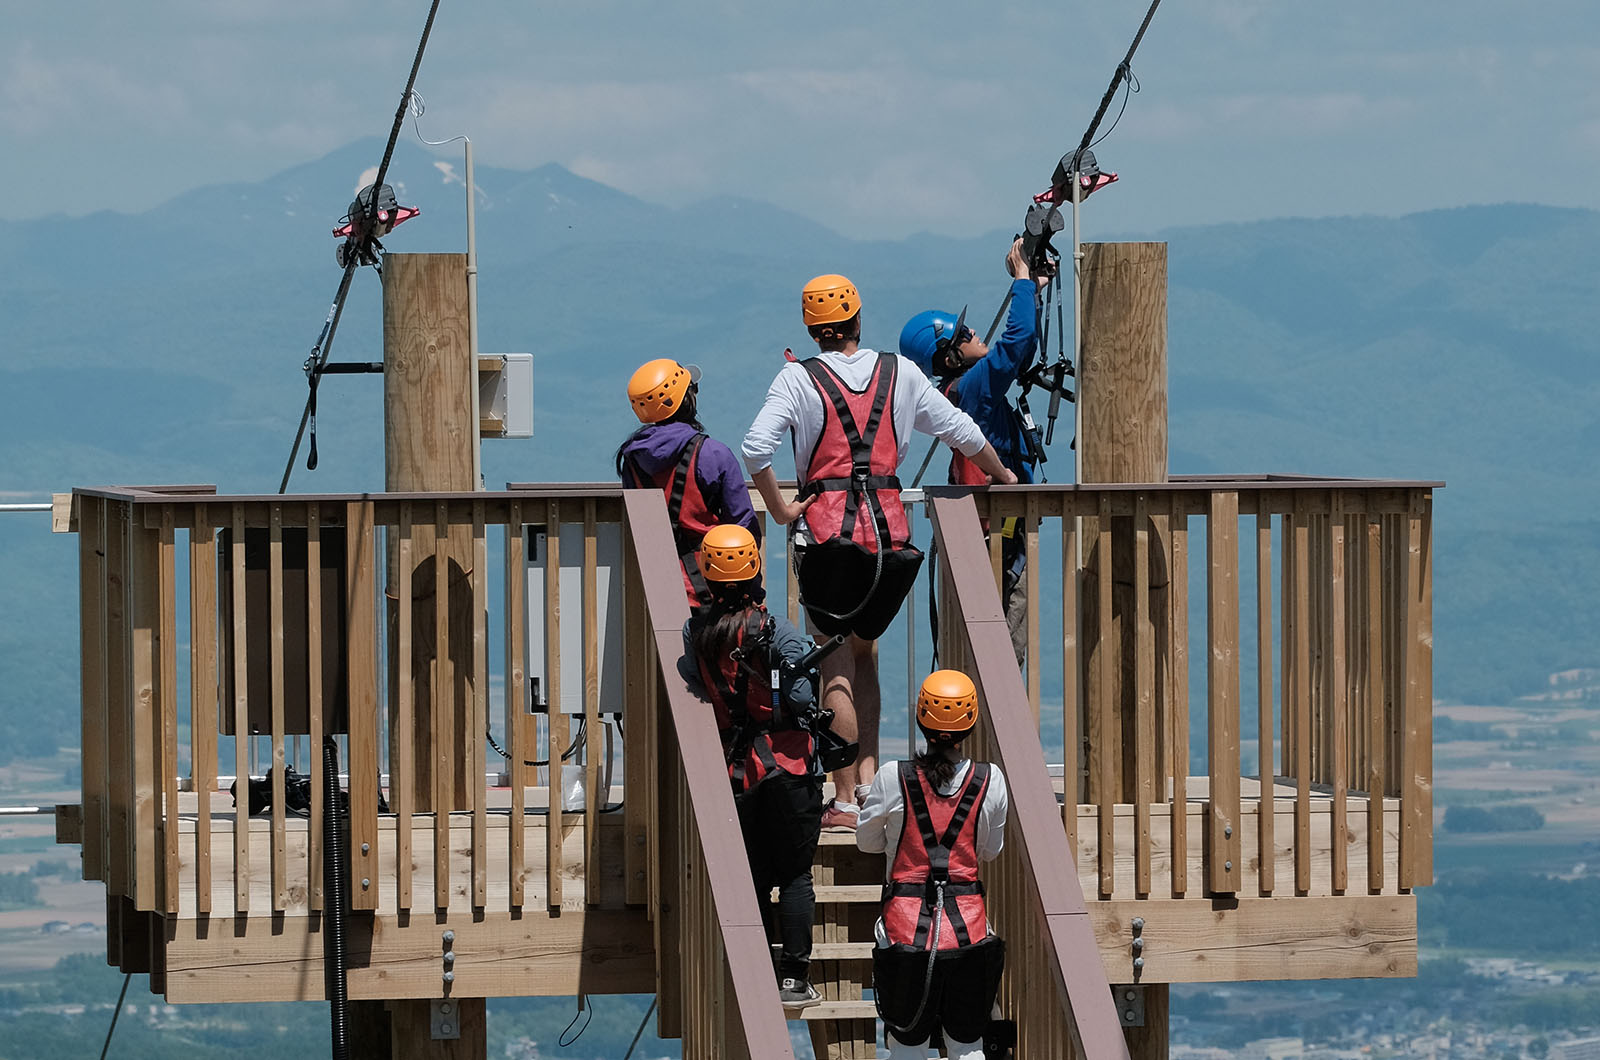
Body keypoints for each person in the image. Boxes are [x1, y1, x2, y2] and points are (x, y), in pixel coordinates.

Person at [743, 274, 1016, 833]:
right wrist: (1003, 475)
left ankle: (845, 798)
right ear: (859, 321)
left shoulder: (797, 380)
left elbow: (755, 448)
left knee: (834, 660)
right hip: (890, 541)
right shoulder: (903, 373)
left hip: (827, 539)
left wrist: (779, 509)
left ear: (812, 328)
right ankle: (867, 784)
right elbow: (962, 431)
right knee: (864, 655)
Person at [679, 523, 826, 1011]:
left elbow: (690, 674)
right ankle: (794, 978)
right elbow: (802, 698)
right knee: (796, 874)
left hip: (736, 770)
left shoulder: (695, 631)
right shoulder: (776, 630)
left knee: (757, 874)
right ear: (753, 567)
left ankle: (760, 967)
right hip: (788, 763)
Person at [899, 238, 1047, 665]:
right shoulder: (971, 390)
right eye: (963, 335)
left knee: (983, 651)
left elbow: (1018, 354)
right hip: (996, 542)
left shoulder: (963, 390)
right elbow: (1013, 346)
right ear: (947, 358)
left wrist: (1032, 290)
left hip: (993, 538)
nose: (974, 332)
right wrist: (1022, 281)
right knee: (1000, 653)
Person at [857, 669, 1009, 1060]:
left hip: (904, 931)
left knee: (907, 1045)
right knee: (967, 1044)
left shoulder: (894, 777)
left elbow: (866, 841)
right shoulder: (990, 780)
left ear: (921, 720)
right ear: (970, 724)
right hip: (968, 929)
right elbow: (990, 850)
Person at [617, 358, 758, 609]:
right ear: (686, 400)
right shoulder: (713, 453)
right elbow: (743, 523)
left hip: (657, 583)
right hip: (716, 582)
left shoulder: (632, 459)